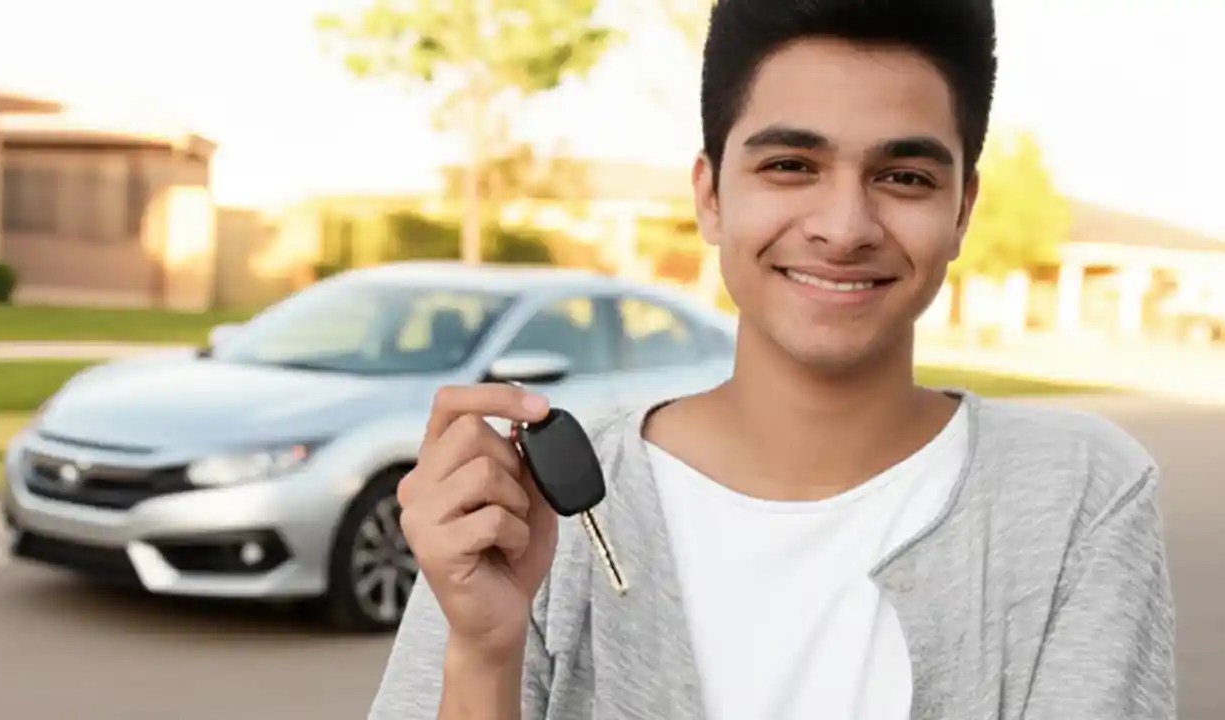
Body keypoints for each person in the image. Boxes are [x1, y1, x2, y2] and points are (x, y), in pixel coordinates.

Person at [369, 0, 1178, 717]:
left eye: (903, 176)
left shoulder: (1080, 498)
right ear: (711, 195)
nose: (844, 225)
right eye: (791, 165)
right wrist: (483, 657)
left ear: (963, 208)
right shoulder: (534, 504)